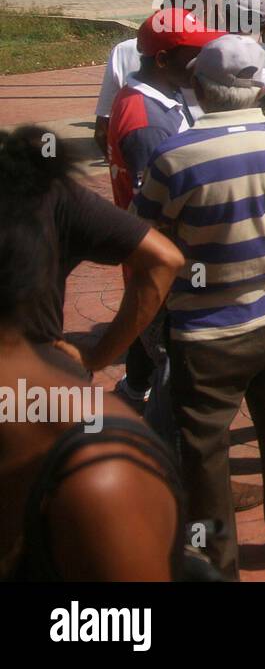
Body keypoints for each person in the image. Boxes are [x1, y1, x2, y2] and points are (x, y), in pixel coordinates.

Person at [133, 34, 265, 578]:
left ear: (200, 86)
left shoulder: (173, 156)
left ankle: (218, 562)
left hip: (206, 330)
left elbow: (144, 232)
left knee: (204, 456)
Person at [0, 132, 185, 580]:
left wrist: (99, 354)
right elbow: (163, 258)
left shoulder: (99, 476)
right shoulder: (29, 186)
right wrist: (100, 355)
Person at [106, 9, 218, 413]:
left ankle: (136, 387)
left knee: (148, 323)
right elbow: (161, 206)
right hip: (165, 253)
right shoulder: (147, 122)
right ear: (164, 59)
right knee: (174, 346)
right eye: (194, 53)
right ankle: (174, 442)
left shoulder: (159, 95)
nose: (202, 63)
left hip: (158, 253)